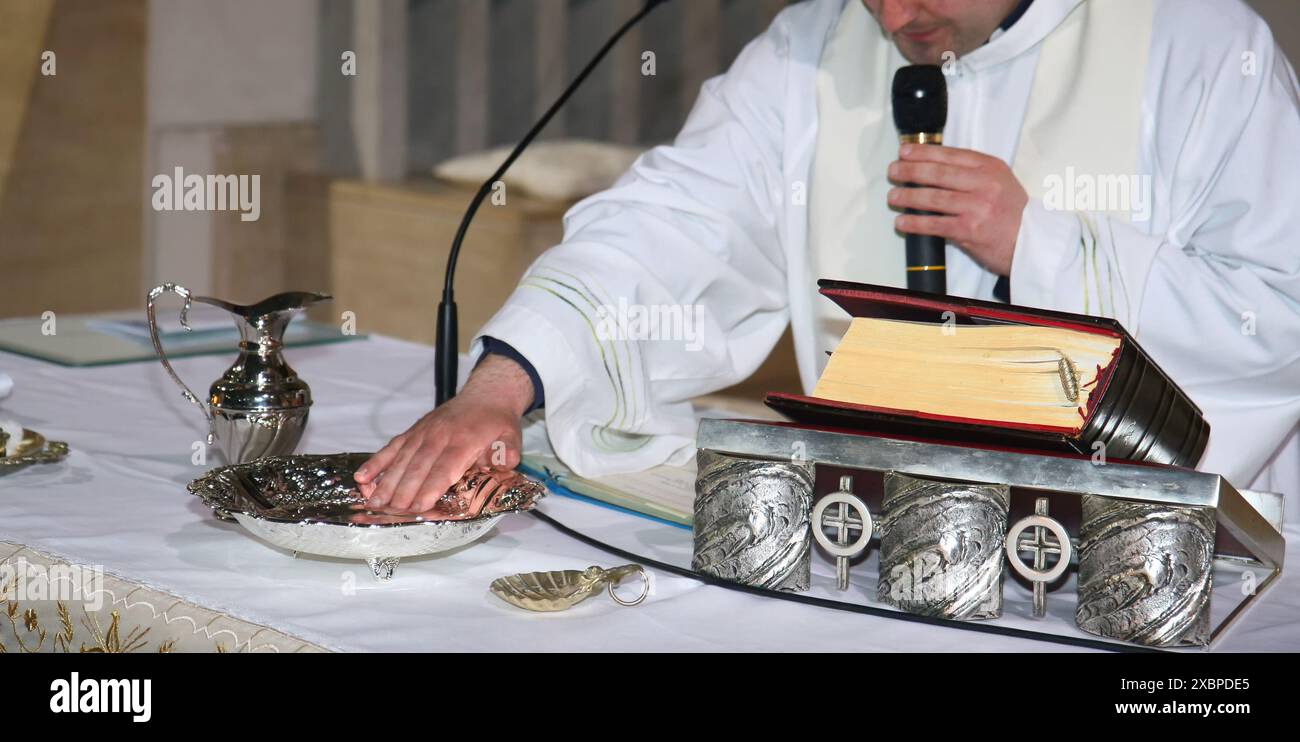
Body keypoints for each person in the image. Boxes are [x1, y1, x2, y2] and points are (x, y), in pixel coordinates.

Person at [355, 0, 1300, 522]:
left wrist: (1042, 246)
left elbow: (1279, 310)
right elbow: (671, 225)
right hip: (876, 533)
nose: (893, 15)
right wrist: (503, 384)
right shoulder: (813, 50)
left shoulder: (1200, 46)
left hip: (1148, 571)